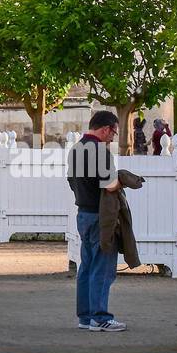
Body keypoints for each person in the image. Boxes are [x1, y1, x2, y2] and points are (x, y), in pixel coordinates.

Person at [67, 109, 125, 332]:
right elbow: (109, 185)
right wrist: (122, 181)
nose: (113, 137)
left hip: (82, 212)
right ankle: (100, 317)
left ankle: (85, 316)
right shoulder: (101, 152)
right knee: (103, 267)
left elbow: (71, 181)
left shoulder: (75, 149)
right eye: (114, 132)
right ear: (105, 129)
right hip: (101, 215)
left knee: (87, 266)